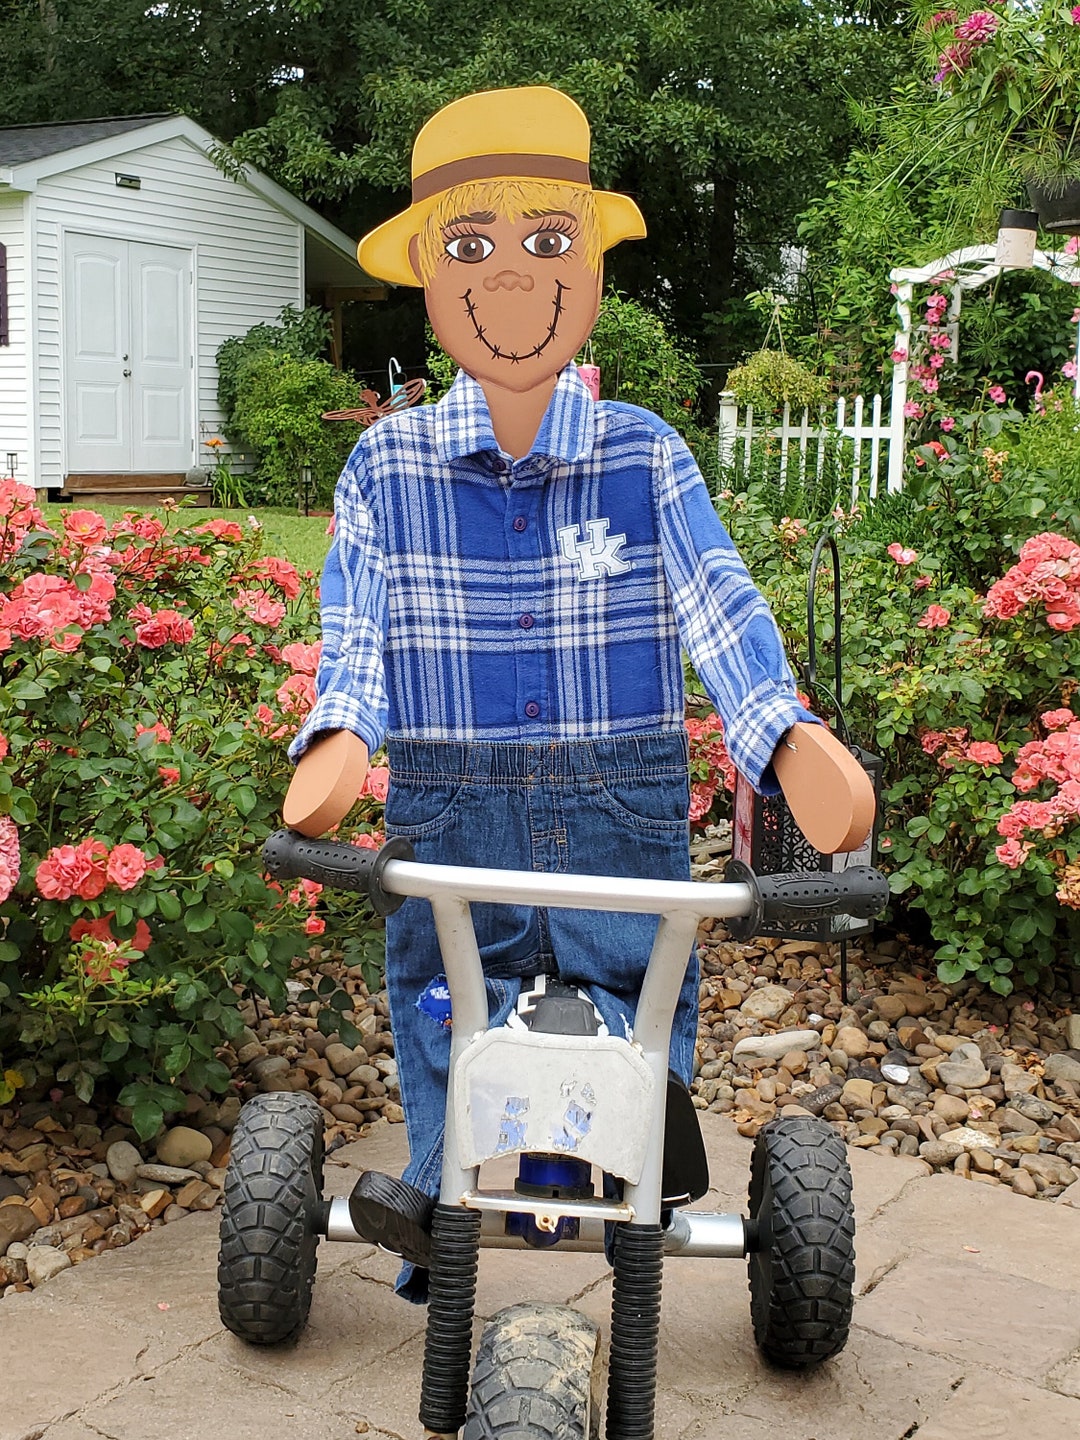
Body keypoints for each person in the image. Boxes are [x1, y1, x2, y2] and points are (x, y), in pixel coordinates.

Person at [284, 86, 874, 1302]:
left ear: (588, 264)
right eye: (472, 249)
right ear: (435, 282)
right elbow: (358, 622)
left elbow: (722, 606)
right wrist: (342, 740)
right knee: (456, 1018)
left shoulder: (645, 451)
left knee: (632, 1023)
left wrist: (785, 737)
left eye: (547, 245)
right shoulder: (384, 462)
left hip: (625, 813)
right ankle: (450, 1207)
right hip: (451, 814)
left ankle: (629, 1198)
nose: (510, 280)